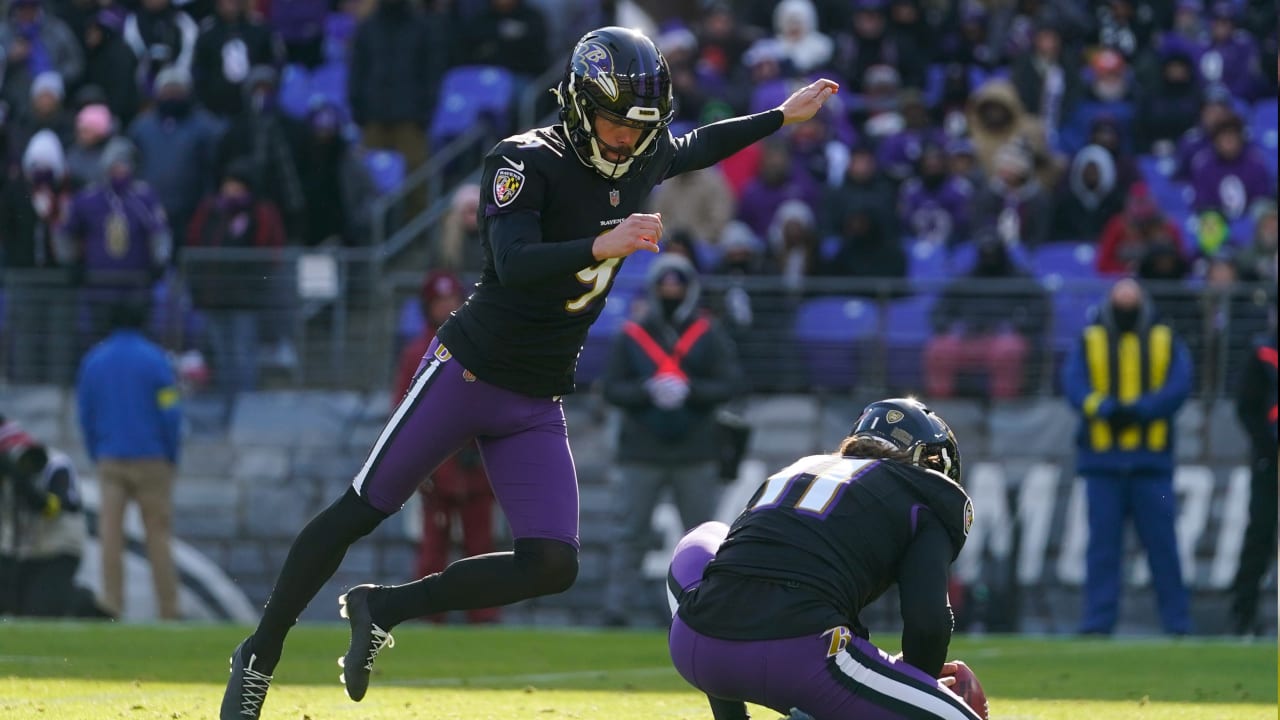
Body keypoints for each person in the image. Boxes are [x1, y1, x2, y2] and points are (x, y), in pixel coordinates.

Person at [220, 26, 839, 719]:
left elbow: (697, 145)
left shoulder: (638, 151)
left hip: (536, 395)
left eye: (638, 128)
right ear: (577, 106)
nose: (626, 140)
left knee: (553, 562)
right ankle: (259, 655)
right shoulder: (523, 159)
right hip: (470, 373)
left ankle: (385, 607)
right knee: (360, 509)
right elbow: (513, 261)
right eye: (612, 121)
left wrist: (781, 115)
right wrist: (602, 241)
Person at [667, 398, 984, 720]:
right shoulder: (923, 494)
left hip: (696, 644)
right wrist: (917, 684)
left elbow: (735, 569)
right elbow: (928, 621)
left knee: (705, 538)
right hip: (800, 658)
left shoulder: (799, 469)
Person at [599, 254, 743, 627]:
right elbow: (612, 387)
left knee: (704, 537)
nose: (671, 293)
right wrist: (647, 390)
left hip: (696, 450)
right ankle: (618, 610)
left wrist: (691, 390)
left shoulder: (708, 332)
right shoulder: (632, 334)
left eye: (678, 287)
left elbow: (729, 382)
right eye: (665, 287)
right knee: (629, 534)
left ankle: (706, 610)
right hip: (640, 451)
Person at [1062, 278, 1193, 636]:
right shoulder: (1090, 341)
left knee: (1163, 547)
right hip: (1102, 465)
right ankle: (1097, 623)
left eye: (1131, 297)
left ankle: (1178, 623)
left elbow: (1179, 386)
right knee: (1102, 550)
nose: (1125, 304)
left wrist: (1142, 411)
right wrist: (1105, 409)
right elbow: (1074, 387)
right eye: (1120, 297)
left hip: (1152, 466)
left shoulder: (1165, 340)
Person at [392, 270, 498, 626]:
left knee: (481, 547)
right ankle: (429, 613)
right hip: (436, 467)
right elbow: (404, 412)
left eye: (453, 300)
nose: (447, 307)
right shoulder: (415, 353)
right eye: (440, 302)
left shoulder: (483, 344)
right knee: (432, 548)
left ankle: (483, 615)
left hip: (477, 464)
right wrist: (415, 466)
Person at [77, 300, 183, 621]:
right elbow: (170, 410)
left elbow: (85, 413)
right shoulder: (156, 360)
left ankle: (112, 603)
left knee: (111, 533)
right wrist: (171, 452)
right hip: (152, 458)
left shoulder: (94, 361)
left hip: (111, 458)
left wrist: (96, 449)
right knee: (158, 535)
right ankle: (169, 608)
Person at [0, 417, 92, 617]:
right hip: (19, 551)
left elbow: (58, 507)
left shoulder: (54, 463)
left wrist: (23, 484)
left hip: (57, 550)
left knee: (38, 612)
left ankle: (87, 605)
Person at [1228, 325, 1277, 635]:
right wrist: (1269, 450)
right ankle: (1243, 615)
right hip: (1270, 460)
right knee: (1260, 533)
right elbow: (1246, 408)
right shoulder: (1263, 353)